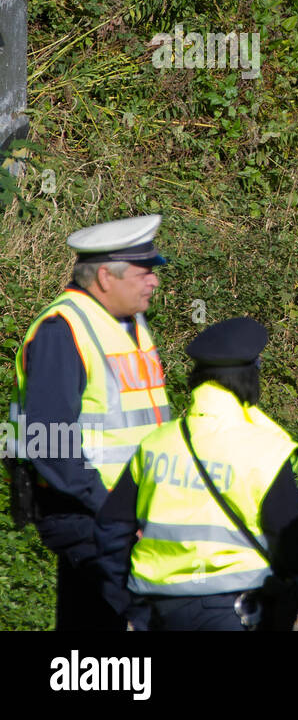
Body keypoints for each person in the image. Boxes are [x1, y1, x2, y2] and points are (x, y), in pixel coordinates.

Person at [93, 317, 298, 631]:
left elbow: (111, 528)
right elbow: (297, 548)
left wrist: (127, 599)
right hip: (235, 610)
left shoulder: (156, 443)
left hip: (158, 610)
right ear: (251, 376)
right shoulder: (266, 448)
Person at [8, 214, 171, 631]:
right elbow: (49, 440)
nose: (154, 282)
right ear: (104, 277)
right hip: (89, 511)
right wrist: (113, 510)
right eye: (144, 272)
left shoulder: (129, 320)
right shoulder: (61, 330)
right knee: (151, 616)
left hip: (125, 510)